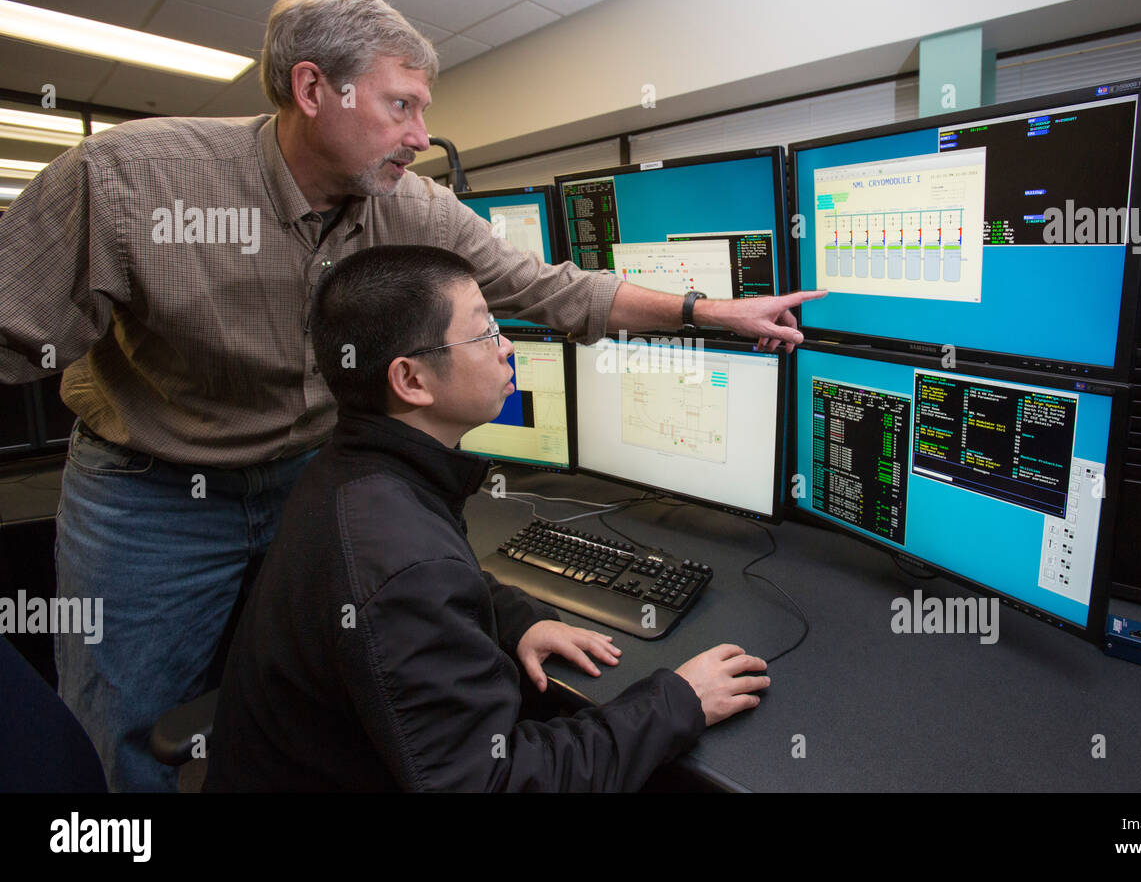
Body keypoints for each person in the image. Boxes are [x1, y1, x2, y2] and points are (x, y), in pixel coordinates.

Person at [0, 0, 819, 791]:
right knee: (125, 726)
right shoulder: (131, 182)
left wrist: (708, 312)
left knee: (297, 681)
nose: (422, 137)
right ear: (313, 87)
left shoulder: (412, 208)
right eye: (402, 107)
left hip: (304, 470)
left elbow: (549, 289)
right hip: (153, 486)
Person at [203, 246, 770, 791]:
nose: (508, 348)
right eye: (484, 332)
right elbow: (497, 783)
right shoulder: (401, 556)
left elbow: (429, 586)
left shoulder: (352, 474)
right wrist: (676, 701)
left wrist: (516, 620)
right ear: (411, 380)